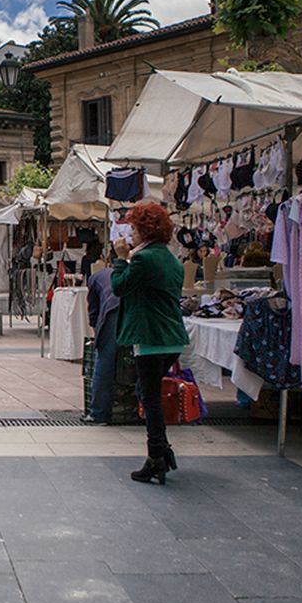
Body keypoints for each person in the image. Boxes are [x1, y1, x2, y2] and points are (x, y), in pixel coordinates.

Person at [111, 201, 189, 485]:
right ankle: (162, 450)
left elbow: (119, 286)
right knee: (147, 391)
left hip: (150, 336)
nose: (130, 233)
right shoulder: (170, 258)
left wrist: (120, 258)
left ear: (145, 230)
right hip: (171, 336)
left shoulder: (143, 259)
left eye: (133, 227)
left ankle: (156, 456)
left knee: (150, 397)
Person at [83, 251, 120, 426]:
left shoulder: (95, 277)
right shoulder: (127, 271)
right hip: (131, 307)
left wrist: (97, 331)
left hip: (113, 310)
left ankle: (99, 413)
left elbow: (93, 310)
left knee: (104, 360)